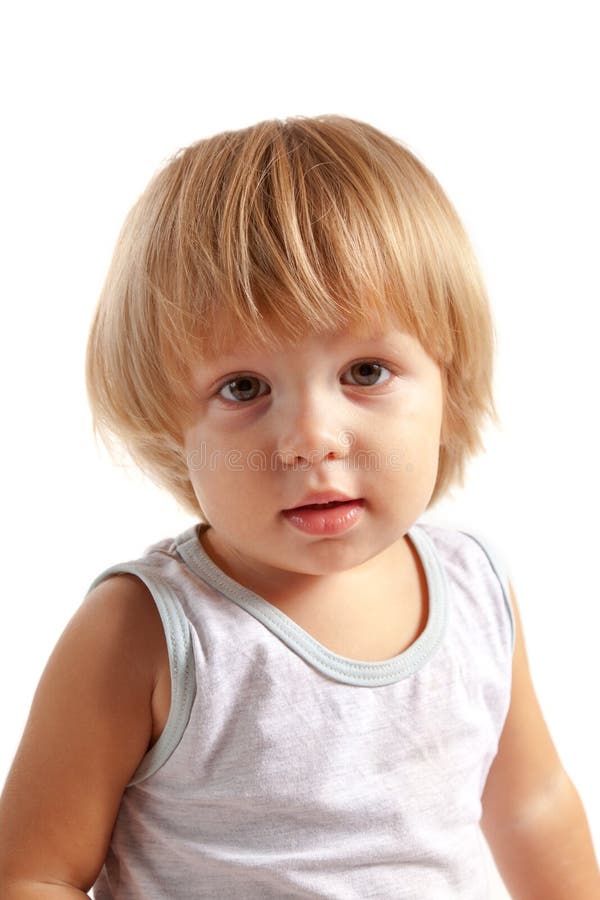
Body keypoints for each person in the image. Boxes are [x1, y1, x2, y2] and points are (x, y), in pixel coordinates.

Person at [0, 115, 598, 900]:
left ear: (448, 380)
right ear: (169, 423)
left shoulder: (475, 588)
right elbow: (34, 872)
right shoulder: (148, 631)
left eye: (366, 370)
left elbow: (530, 806)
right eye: (243, 388)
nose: (312, 440)